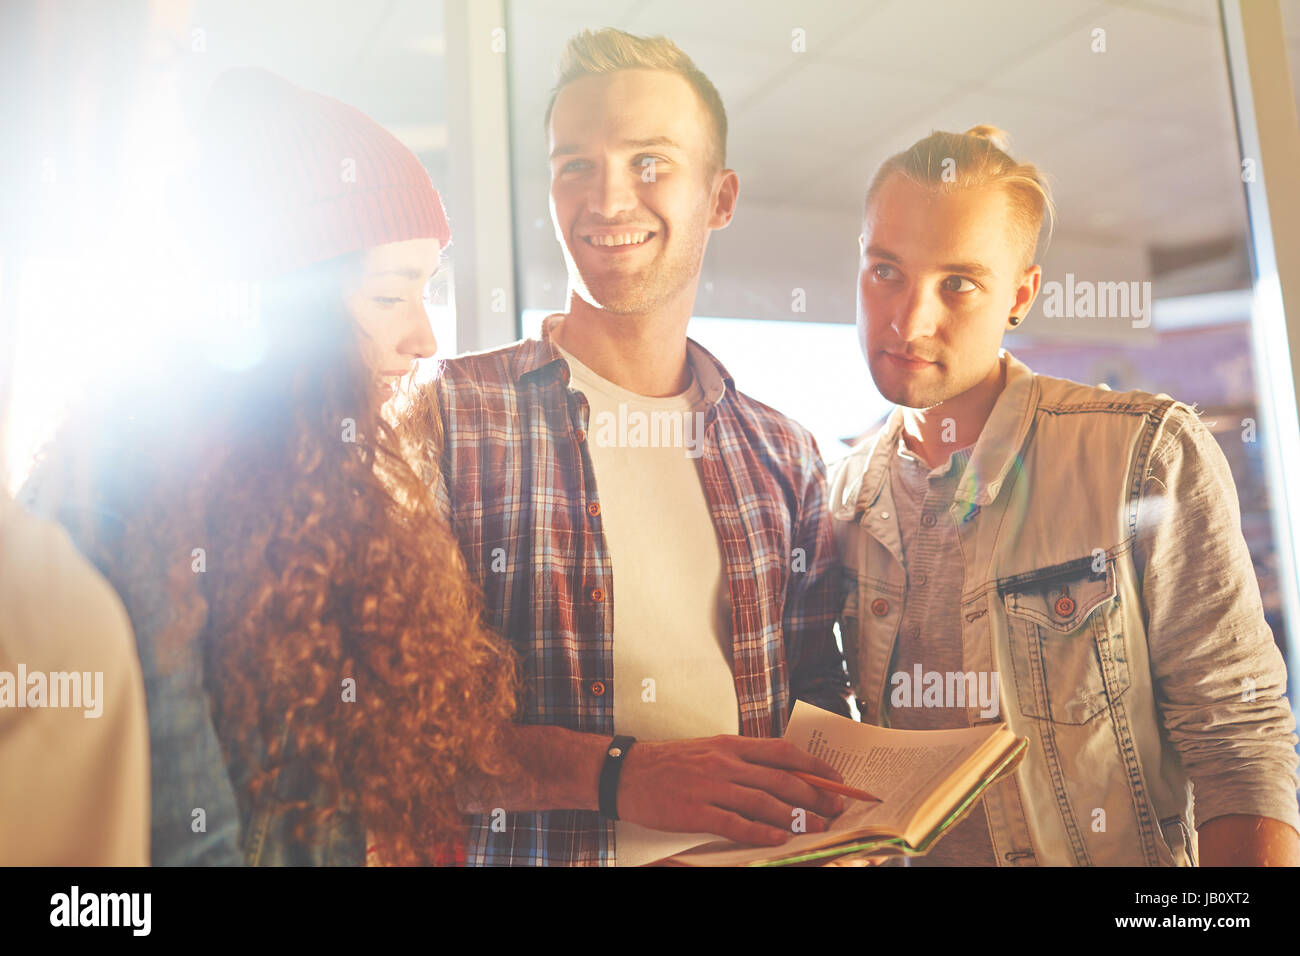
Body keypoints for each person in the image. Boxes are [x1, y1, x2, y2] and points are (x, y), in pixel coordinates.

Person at [22, 68, 518, 866]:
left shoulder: (291, 498)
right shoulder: (135, 508)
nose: (425, 339)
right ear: (282, 306)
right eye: (391, 296)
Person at [423, 28, 850, 867]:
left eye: (649, 162)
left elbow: (815, 702)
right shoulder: (448, 419)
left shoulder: (784, 455)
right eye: (575, 164)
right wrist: (619, 774)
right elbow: (405, 734)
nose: (608, 200)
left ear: (720, 198)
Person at [829, 124, 1300, 865]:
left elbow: (1237, 743)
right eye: (886, 271)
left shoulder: (1142, 455)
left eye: (958, 282)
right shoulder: (843, 498)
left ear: (1019, 295)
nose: (909, 319)